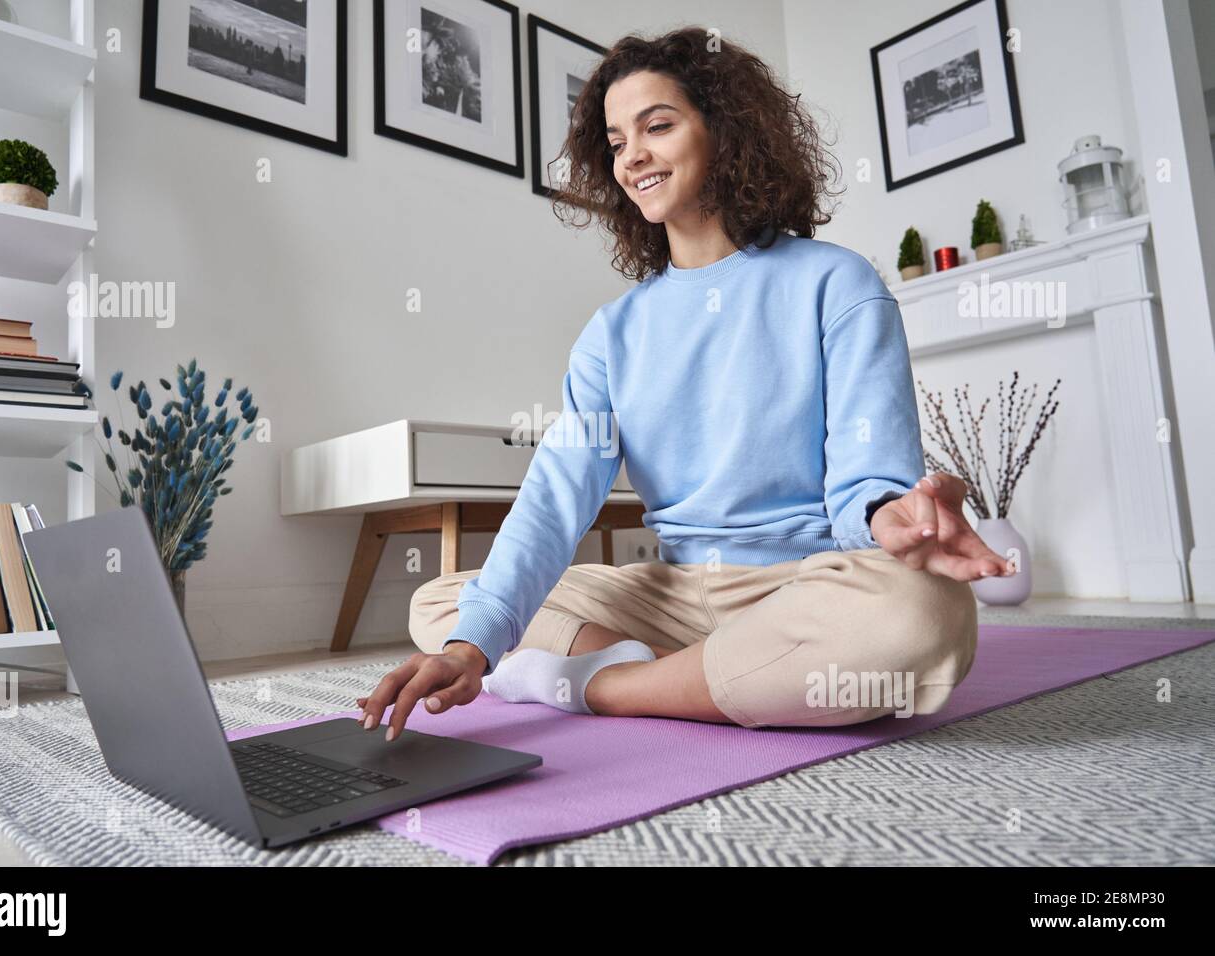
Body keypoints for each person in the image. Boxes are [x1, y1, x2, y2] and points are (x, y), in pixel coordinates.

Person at [355, 27, 1014, 741]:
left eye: (657, 126)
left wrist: (895, 517)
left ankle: (610, 686)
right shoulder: (612, 333)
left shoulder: (838, 283)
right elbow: (555, 498)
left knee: (925, 612)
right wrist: (471, 648)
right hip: (668, 592)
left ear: (725, 132)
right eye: (615, 141)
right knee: (447, 604)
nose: (632, 155)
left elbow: (868, 483)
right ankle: (716, 673)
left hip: (802, 581)